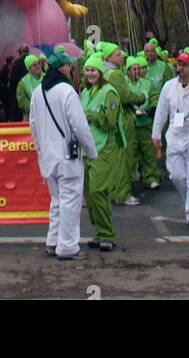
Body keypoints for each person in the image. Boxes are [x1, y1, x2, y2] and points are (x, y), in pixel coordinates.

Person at [29, 46, 97, 260]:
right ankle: (67, 246)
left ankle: (53, 239)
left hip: (49, 156)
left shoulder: (38, 92)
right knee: (70, 201)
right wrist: (91, 151)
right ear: (62, 68)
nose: (70, 68)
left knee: (57, 199)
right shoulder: (67, 91)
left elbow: (33, 125)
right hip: (68, 156)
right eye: (68, 65)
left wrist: (40, 151)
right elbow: (79, 126)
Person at [152, 51, 189, 230]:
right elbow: (161, 112)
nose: (180, 68)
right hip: (175, 136)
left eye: (184, 65)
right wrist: (156, 134)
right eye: (178, 64)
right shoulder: (168, 87)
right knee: (177, 175)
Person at [80, 54, 122, 251]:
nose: (90, 74)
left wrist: (90, 116)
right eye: (88, 70)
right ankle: (99, 231)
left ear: (100, 72)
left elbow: (109, 121)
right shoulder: (86, 93)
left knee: (98, 190)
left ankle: (107, 234)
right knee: (89, 194)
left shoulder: (109, 92)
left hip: (104, 147)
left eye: (93, 70)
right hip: (87, 148)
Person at [98, 43, 146, 206]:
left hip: (112, 119)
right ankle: (122, 193)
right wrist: (140, 97)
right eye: (118, 54)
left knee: (114, 158)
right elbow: (126, 96)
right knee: (123, 158)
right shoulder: (115, 74)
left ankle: (115, 190)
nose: (121, 57)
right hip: (121, 119)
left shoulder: (103, 73)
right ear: (109, 57)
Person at [131, 54, 160, 189]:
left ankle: (151, 176)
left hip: (146, 122)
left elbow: (154, 96)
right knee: (131, 154)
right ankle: (130, 178)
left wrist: (153, 107)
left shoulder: (148, 83)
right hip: (131, 124)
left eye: (139, 68)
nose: (137, 72)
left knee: (149, 152)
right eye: (133, 69)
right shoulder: (125, 84)